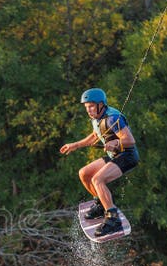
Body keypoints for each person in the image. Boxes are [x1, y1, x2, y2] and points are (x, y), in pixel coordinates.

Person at [59, 88, 139, 237]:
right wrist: (75, 145)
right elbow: (95, 136)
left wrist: (116, 143)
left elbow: (130, 140)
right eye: (86, 107)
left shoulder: (112, 118)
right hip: (114, 155)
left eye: (91, 106)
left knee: (98, 179)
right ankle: (102, 204)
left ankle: (113, 218)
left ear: (101, 105)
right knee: (84, 173)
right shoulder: (97, 118)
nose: (88, 110)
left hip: (126, 156)